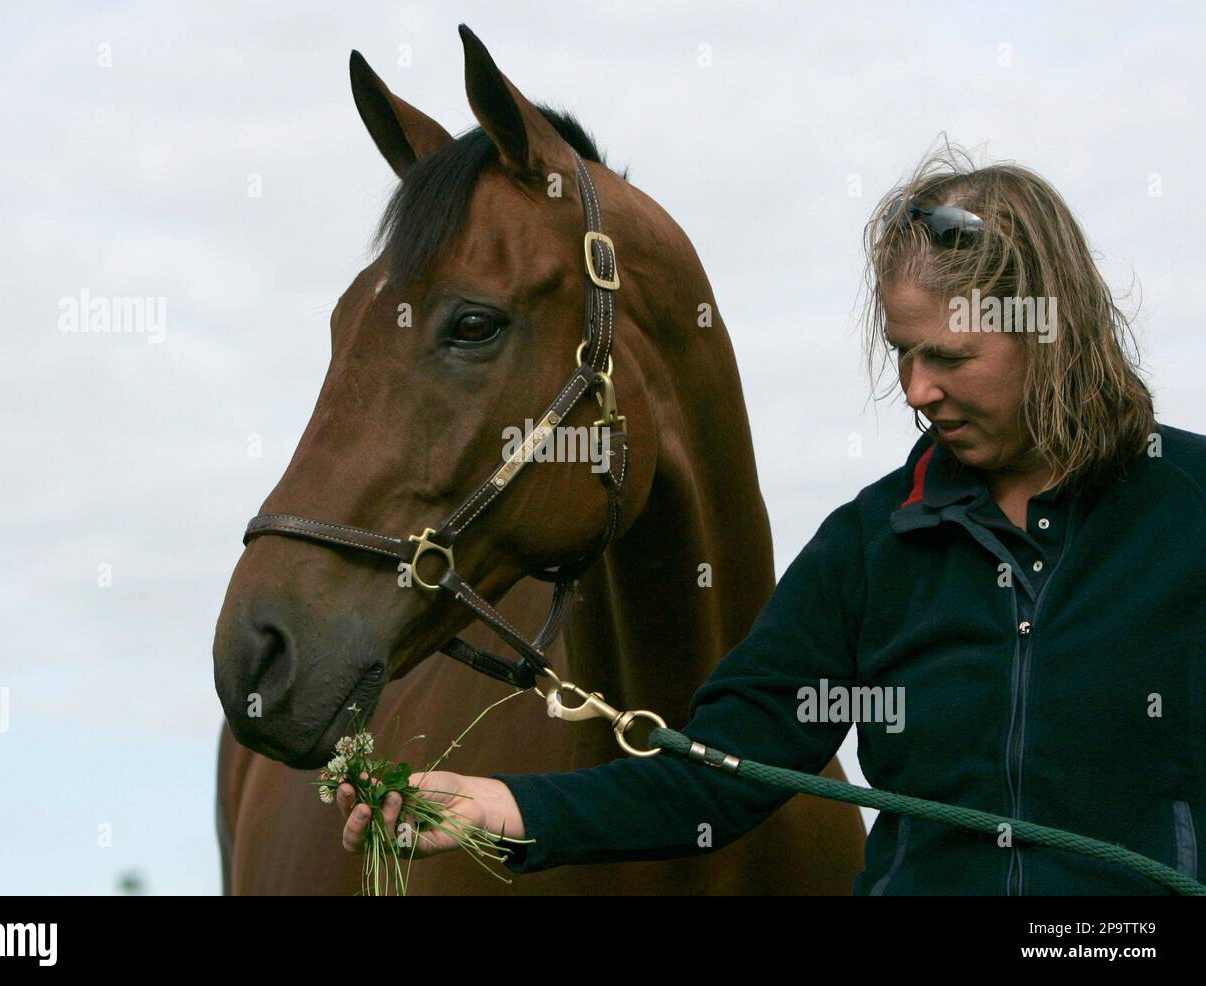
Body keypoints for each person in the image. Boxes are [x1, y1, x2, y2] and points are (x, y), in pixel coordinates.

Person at [337, 148, 1206, 894]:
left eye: (948, 355)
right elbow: (718, 778)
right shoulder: (872, 546)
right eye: (902, 352)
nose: (916, 390)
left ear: (1048, 333)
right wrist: (509, 808)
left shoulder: (1189, 506)